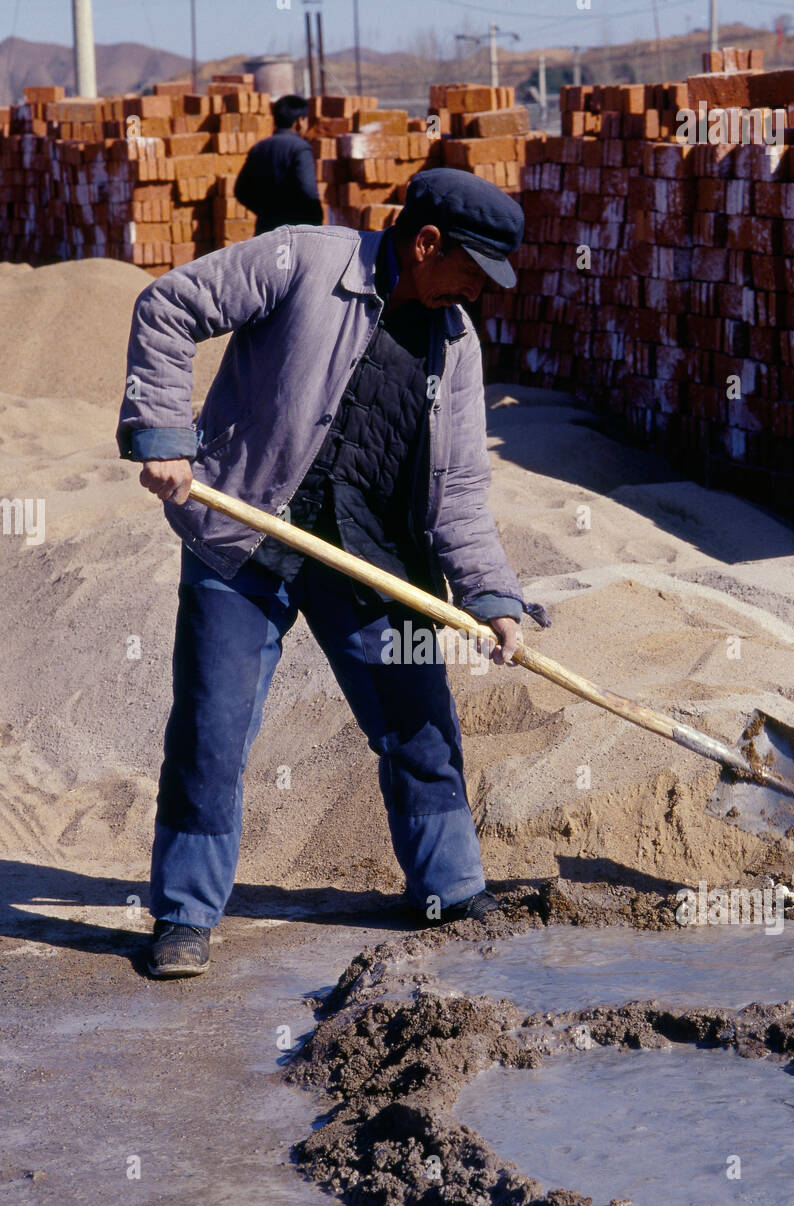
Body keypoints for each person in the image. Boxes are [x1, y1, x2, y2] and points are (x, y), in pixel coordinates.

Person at [117, 167, 550, 980]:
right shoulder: (303, 262)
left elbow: (458, 487)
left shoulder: (454, 343)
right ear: (425, 244)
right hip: (241, 537)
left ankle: (447, 890)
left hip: (369, 557)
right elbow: (169, 304)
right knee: (211, 731)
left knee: (418, 722)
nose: (479, 293)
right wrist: (164, 433)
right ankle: (181, 918)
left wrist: (492, 596)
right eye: (472, 271)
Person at [233, 93, 323, 233]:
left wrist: (265, 212)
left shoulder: (258, 148)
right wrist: (316, 223)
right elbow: (308, 191)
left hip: (265, 230)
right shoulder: (300, 148)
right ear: (299, 121)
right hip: (295, 233)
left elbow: (241, 191)